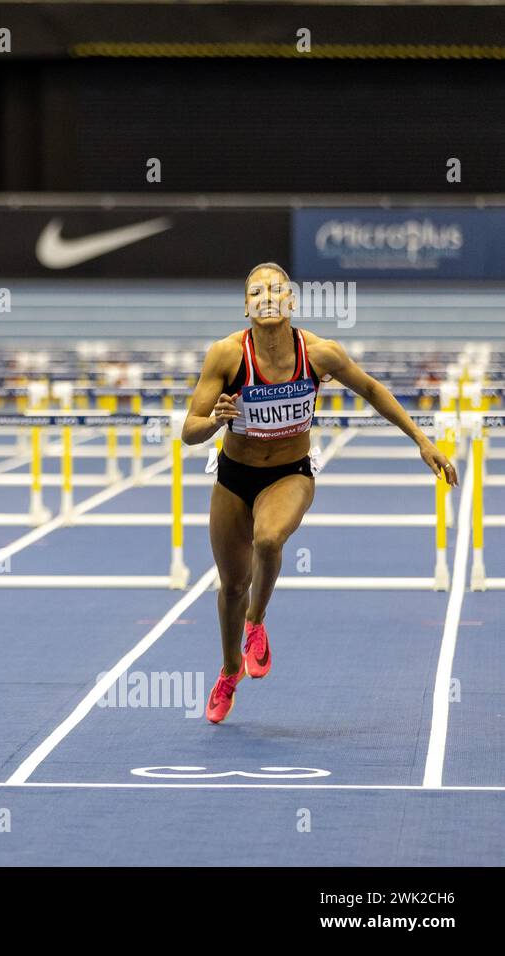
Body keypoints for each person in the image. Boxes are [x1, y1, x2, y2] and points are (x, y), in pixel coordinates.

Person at [182, 262, 459, 724]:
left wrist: (422, 439)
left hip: (291, 472)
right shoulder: (226, 356)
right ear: (245, 305)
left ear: (292, 302)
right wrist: (215, 421)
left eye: (277, 290)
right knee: (231, 586)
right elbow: (189, 430)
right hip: (233, 476)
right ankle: (230, 671)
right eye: (257, 292)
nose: (267, 297)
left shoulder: (319, 353)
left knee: (268, 540)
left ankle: (256, 624)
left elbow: (371, 389)